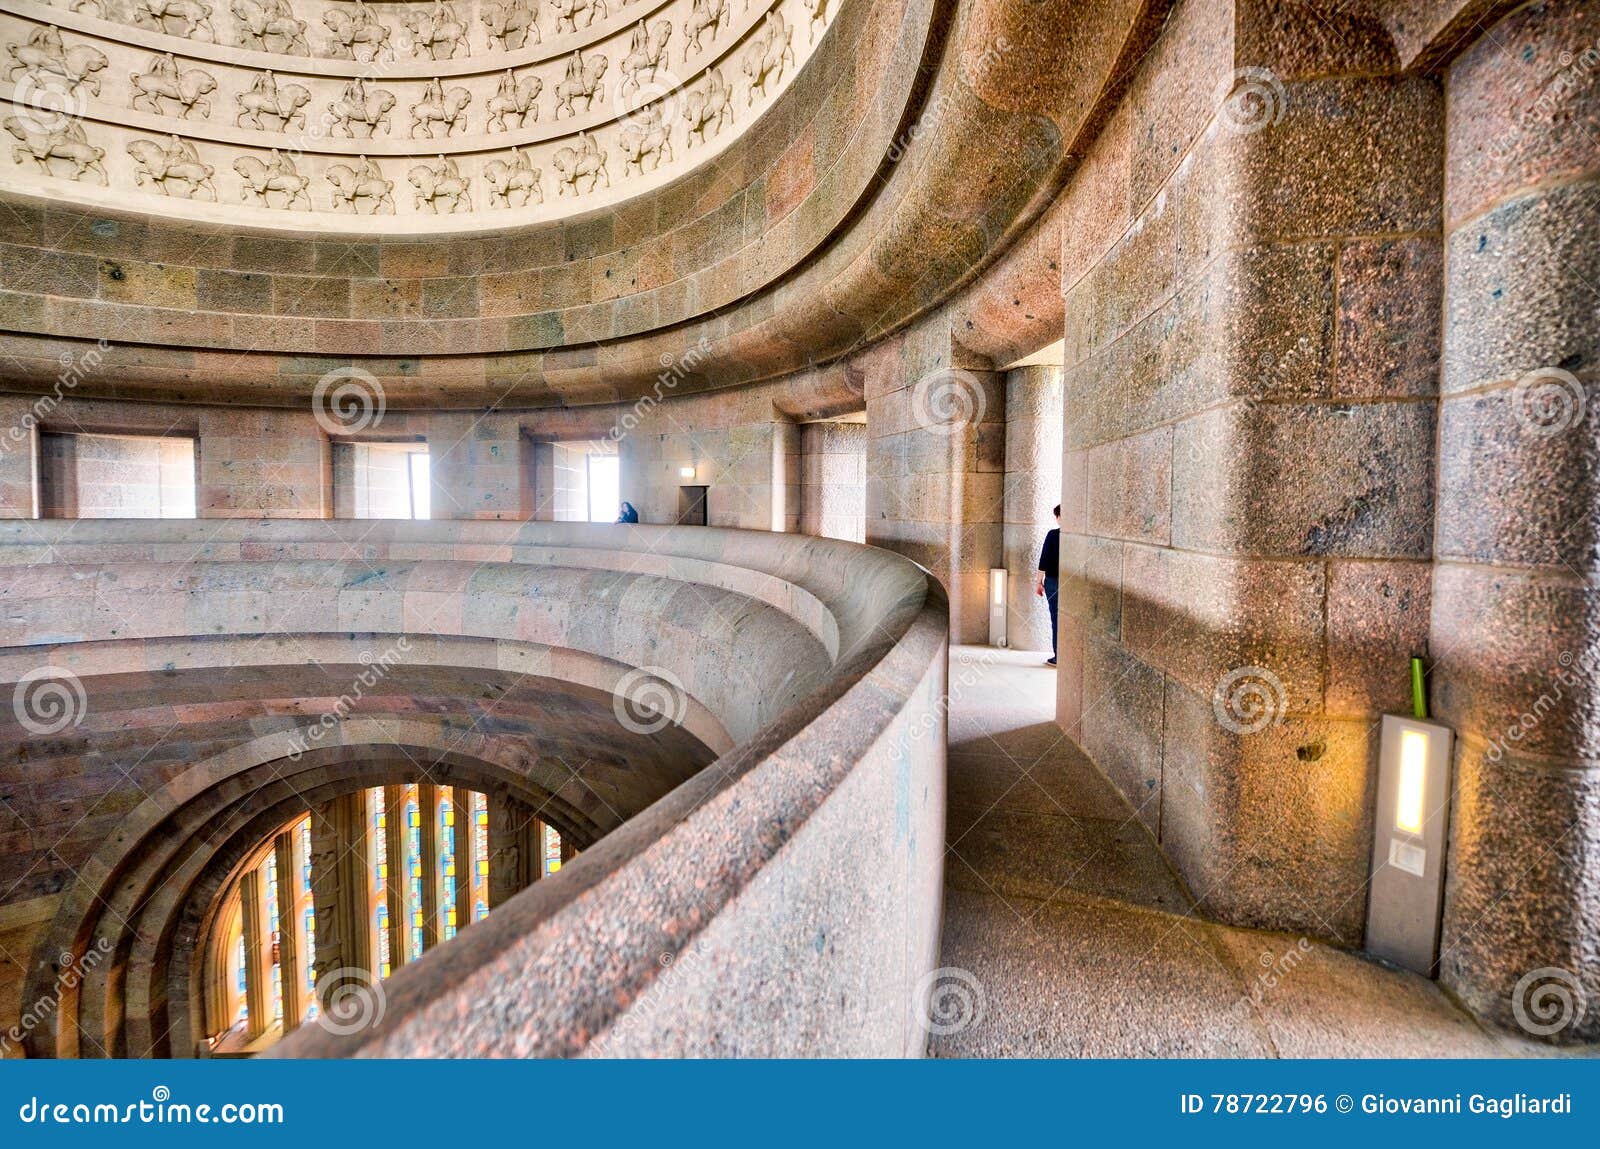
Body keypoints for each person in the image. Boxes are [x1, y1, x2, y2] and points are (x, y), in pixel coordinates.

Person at [1031, 504, 1060, 667]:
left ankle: (1058, 656)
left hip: (1054, 581)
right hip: (1073, 583)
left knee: (1056, 618)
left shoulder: (1053, 535)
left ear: (1058, 517)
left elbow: (1044, 560)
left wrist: (1038, 582)